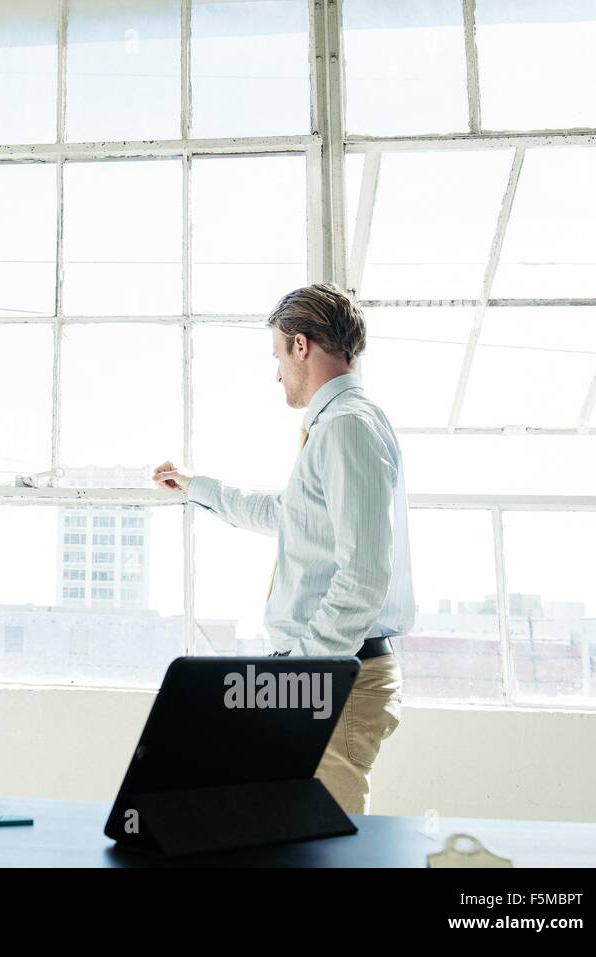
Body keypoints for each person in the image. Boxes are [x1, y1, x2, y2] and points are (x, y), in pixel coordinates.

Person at [153, 282, 414, 814]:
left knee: (323, 849)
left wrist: (302, 672)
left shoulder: (347, 428)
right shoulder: (337, 427)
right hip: (330, 671)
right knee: (294, 834)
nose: (277, 372)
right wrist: (199, 486)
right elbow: (288, 517)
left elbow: (364, 574)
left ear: (301, 345)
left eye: (277, 354)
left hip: (337, 676)